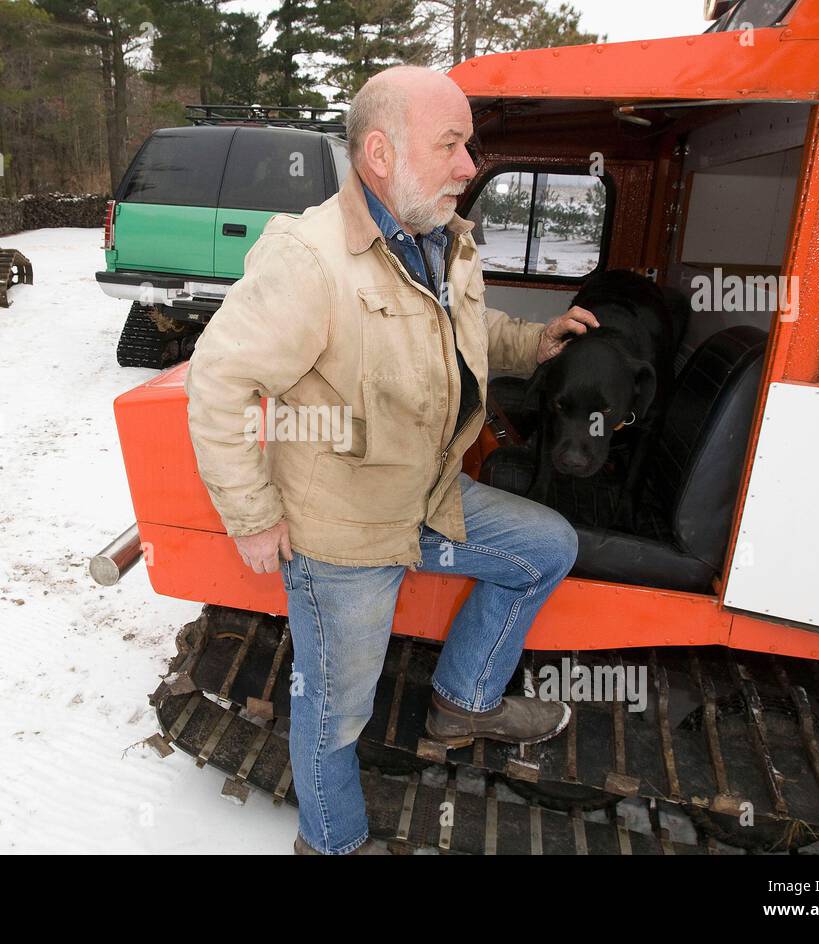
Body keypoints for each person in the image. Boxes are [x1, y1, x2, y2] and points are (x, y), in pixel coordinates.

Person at [185, 65, 598, 855]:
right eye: (451, 145)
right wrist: (253, 515)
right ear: (379, 151)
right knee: (336, 712)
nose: (468, 167)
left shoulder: (439, 238)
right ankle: (331, 842)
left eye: (468, 147)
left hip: (427, 498)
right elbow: (220, 384)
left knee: (545, 546)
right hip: (340, 536)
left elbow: (461, 332)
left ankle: (464, 702)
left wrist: (531, 343)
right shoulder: (311, 260)